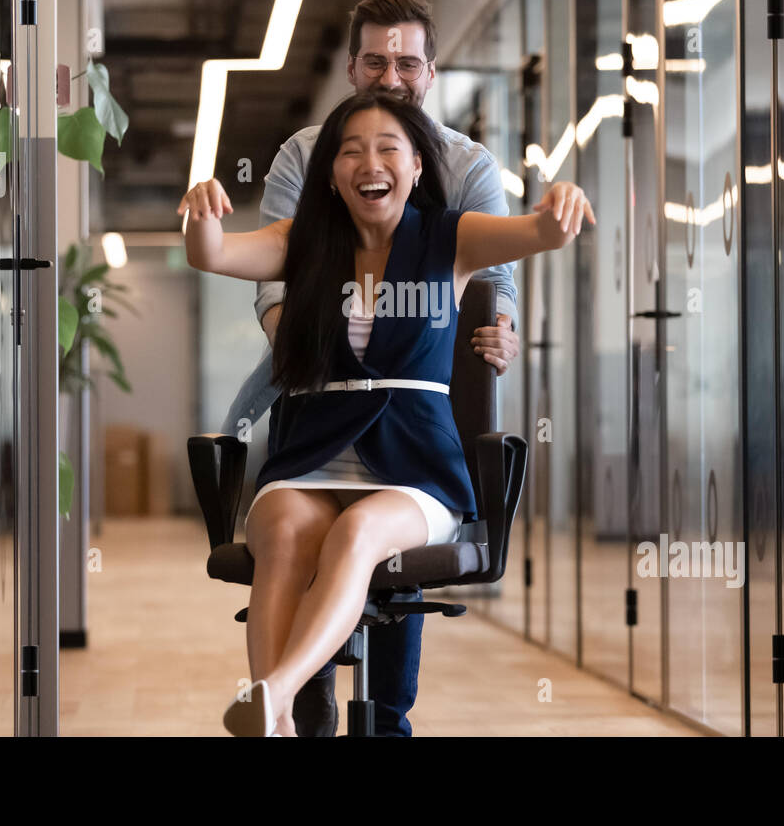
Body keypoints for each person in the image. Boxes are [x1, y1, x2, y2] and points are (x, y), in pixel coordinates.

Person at [180, 90, 594, 736]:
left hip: (416, 467)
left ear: (417, 167)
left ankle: (273, 695)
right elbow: (212, 254)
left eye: (387, 148)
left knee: (358, 535)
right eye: (350, 151)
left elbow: (542, 233)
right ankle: (278, 723)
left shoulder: (452, 237)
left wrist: (562, 200)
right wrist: (203, 210)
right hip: (310, 456)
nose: (368, 162)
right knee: (284, 531)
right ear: (332, 174)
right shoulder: (305, 242)